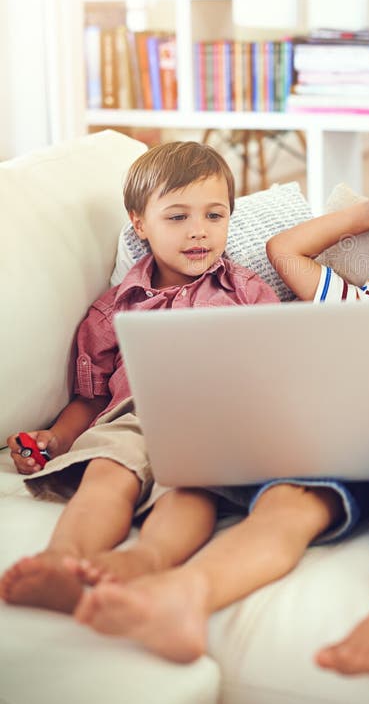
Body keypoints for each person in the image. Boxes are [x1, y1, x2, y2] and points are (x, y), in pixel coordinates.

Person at [36, 146, 369, 698]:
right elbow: (284, 250)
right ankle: (187, 594)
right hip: (339, 434)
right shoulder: (360, 297)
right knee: (281, 508)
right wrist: (368, 212)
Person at [0, 141, 287, 615]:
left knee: (192, 488)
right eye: (177, 217)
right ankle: (61, 561)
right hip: (132, 416)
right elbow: (90, 401)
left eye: (214, 216)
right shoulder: (115, 308)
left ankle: (144, 561)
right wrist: (54, 437)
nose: (199, 232)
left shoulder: (248, 291)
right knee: (107, 471)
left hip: (215, 423)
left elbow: (276, 368)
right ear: (140, 223)